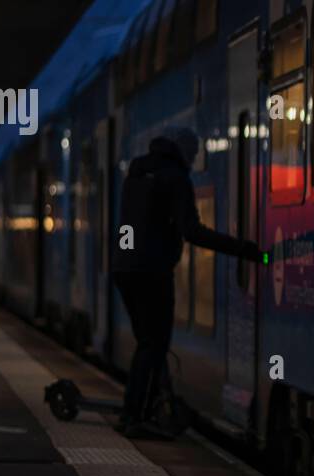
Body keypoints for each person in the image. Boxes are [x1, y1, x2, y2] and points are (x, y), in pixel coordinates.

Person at [112, 128, 264, 437]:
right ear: (182, 151)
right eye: (193, 154)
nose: (194, 161)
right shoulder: (175, 178)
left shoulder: (136, 174)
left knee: (148, 344)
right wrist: (244, 249)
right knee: (153, 344)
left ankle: (150, 406)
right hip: (153, 272)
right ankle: (133, 415)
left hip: (124, 269)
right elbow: (192, 231)